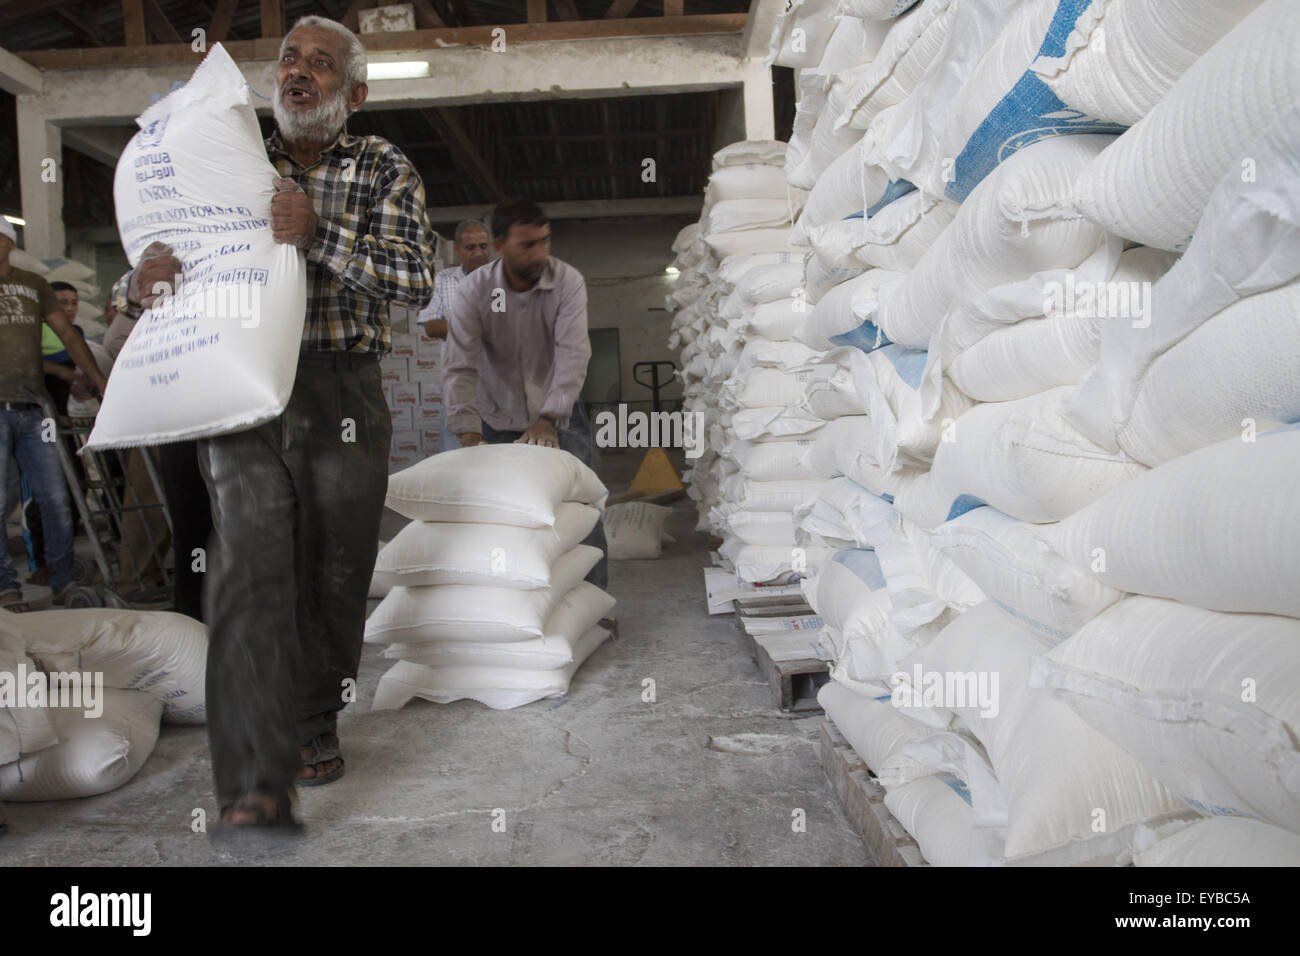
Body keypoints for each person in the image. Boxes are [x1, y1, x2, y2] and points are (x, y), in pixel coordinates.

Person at [117, 15, 434, 832]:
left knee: (333, 565)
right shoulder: (226, 148)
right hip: (238, 388)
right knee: (252, 565)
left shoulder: (379, 165)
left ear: (353, 93)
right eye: (290, 58)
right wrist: (138, 281)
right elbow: (162, 244)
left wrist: (317, 236)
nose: (299, 72)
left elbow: (411, 278)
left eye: (321, 65)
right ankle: (257, 752)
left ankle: (314, 722)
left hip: (338, 390)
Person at [443, 198, 607, 588]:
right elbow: (459, 363)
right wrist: (467, 431)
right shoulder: (474, 291)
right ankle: (521, 600)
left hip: (560, 415)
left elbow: (572, 354)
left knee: (580, 507)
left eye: (544, 242)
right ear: (499, 246)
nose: (540, 253)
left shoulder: (567, 282)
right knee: (506, 515)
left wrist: (549, 418)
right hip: (496, 414)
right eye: (527, 245)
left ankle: (594, 602)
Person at [0, 218, 109, 610]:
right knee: (0, 501)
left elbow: (67, 335)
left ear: (8, 242)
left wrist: (98, 380)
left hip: (36, 409)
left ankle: (63, 581)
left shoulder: (34, 286)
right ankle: (5, 586)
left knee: (57, 497)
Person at [416, 219, 491, 452]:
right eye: (471, 247)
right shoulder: (443, 280)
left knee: (502, 453)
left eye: (483, 246)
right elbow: (431, 325)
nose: (478, 252)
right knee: (459, 452)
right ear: (457, 249)